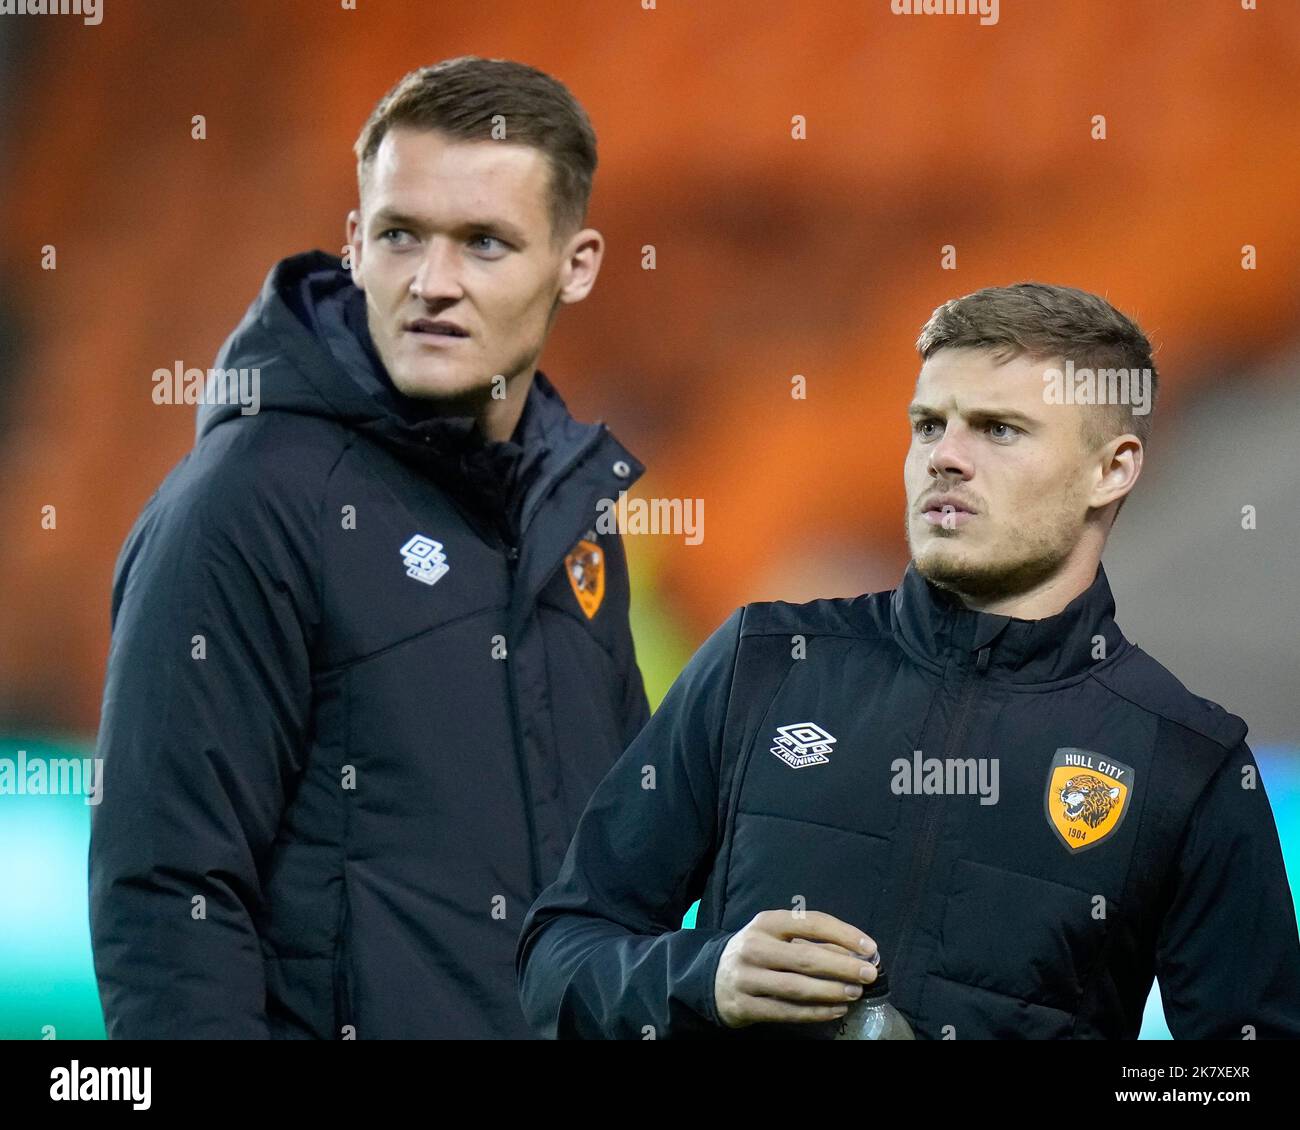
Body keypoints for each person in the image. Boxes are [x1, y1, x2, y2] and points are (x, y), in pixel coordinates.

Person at [516, 282, 1300, 1040]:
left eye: (998, 429)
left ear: (1112, 469)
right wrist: (705, 981)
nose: (944, 459)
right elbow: (558, 956)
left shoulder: (1189, 762)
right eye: (929, 425)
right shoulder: (763, 662)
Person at [90, 56, 650, 1039]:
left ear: (579, 262)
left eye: (483, 242)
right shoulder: (245, 502)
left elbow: (611, 888)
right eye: (401, 235)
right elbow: (165, 892)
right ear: (355, 240)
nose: (432, 283)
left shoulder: (574, 518)